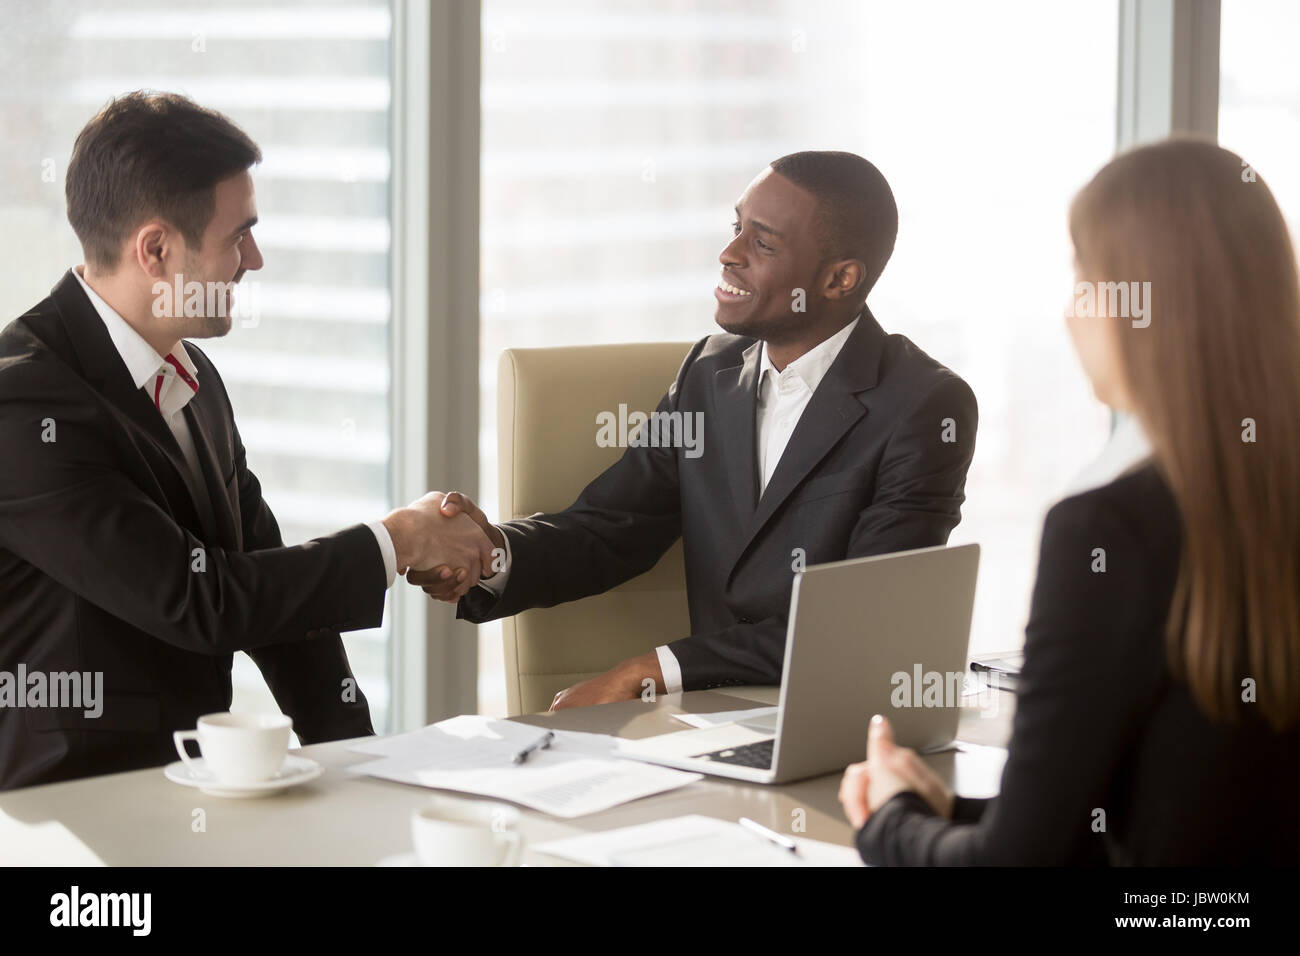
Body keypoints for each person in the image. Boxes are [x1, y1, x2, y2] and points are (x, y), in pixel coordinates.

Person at [0, 92, 493, 790]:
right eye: (238, 236)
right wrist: (396, 542)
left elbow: (272, 602)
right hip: (72, 815)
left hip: (189, 797)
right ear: (158, 249)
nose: (253, 259)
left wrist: (373, 771)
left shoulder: (194, 378)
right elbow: (201, 602)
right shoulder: (20, 403)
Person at [840, 138, 1300, 865]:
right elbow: (1179, 807)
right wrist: (945, 809)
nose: (1070, 316)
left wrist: (889, 821)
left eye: (1085, 282)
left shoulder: (1112, 530)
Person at [415, 151, 978, 709]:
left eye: (762, 243)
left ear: (839, 279)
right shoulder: (709, 371)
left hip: (837, 725)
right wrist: (490, 555)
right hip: (703, 725)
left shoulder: (925, 408)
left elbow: (860, 625)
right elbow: (614, 525)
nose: (728, 254)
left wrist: (651, 670)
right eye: (737, 228)